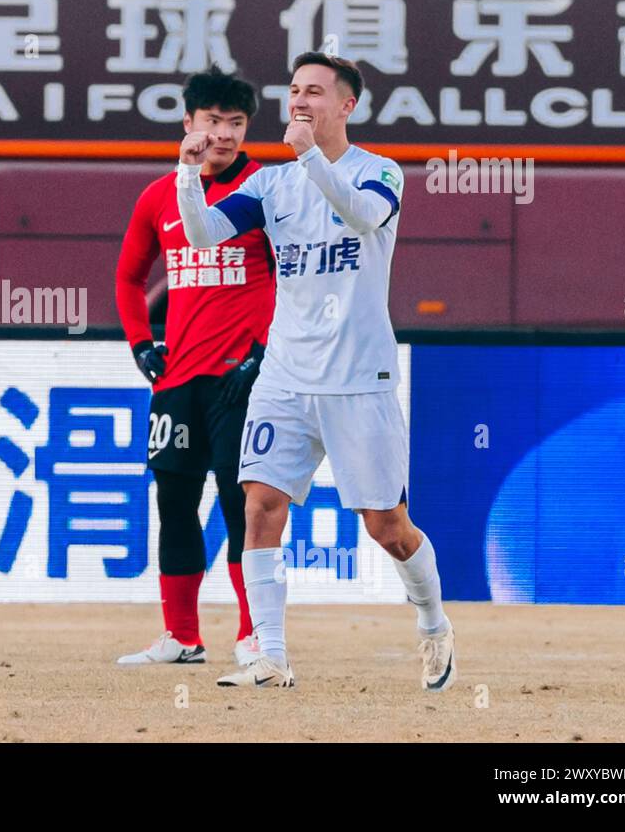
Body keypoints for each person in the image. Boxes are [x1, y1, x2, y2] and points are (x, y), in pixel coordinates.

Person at [176, 52, 455, 691]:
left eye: (316, 92)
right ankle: (270, 656)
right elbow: (203, 236)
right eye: (294, 89)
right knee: (261, 506)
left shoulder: (379, 172)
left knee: (387, 525)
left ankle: (434, 623)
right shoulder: (270, 185)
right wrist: (189, 175)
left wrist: (309, 157)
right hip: (286, 374)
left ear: (347, 105)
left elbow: (363, 215)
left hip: (360, 378)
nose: (300, 101)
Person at [114, 67, 273, 667]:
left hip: (244, 379)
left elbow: (292, 280)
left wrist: (262, 354)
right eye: (212, 121)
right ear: (188, 124)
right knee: (174, 503)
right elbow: (130, 277)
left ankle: (255, 635)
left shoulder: (267, 190)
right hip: (178, 380)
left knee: (245, 507)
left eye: (235, 123)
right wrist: (140, 343)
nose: (224, 134)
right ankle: (181, 638)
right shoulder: (160, 196)